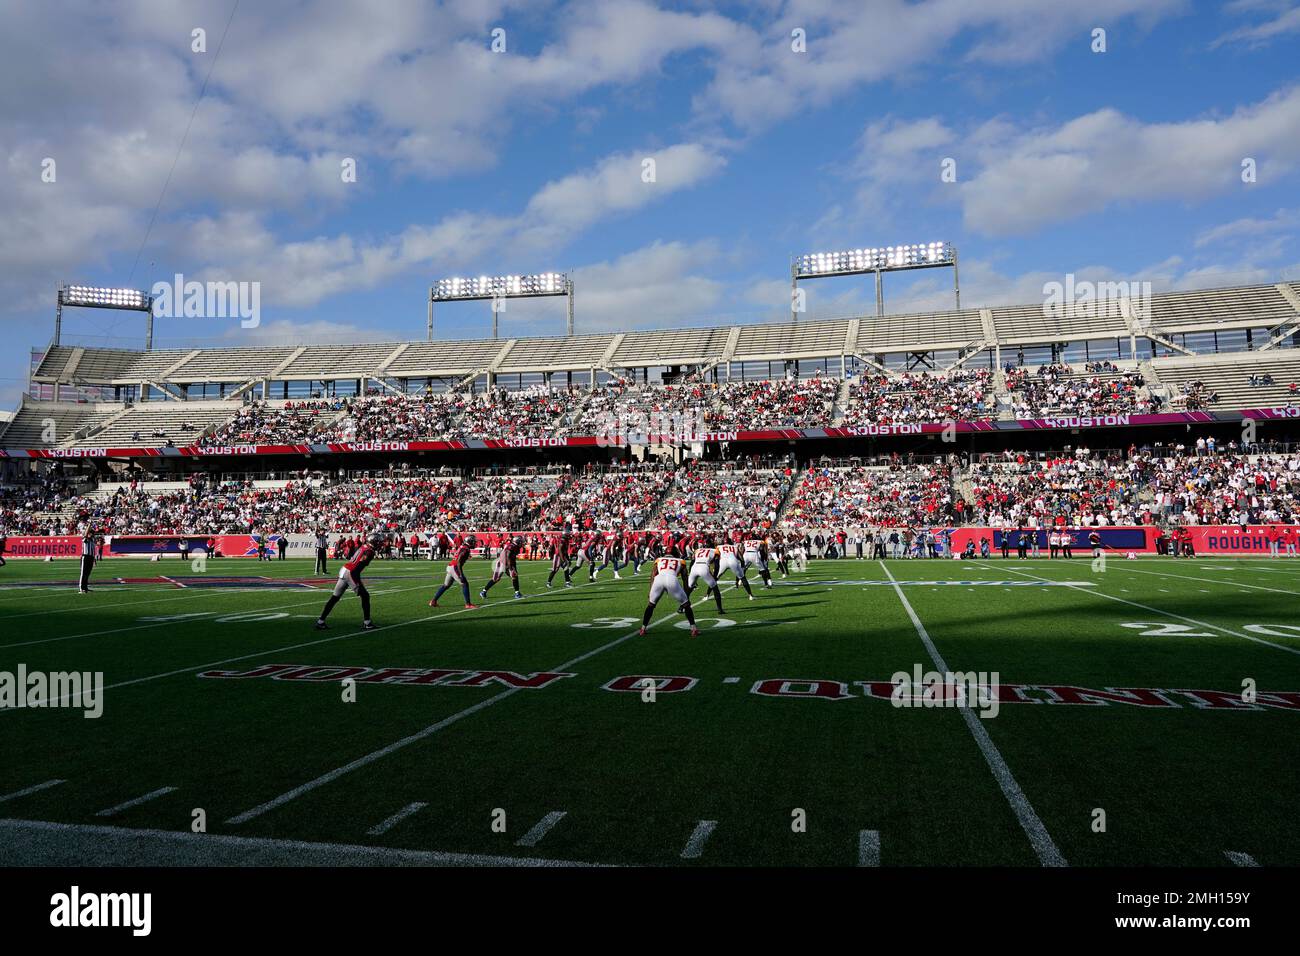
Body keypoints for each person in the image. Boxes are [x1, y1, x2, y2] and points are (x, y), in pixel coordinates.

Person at [315, 533, 380, 630]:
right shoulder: (369, 551)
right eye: (378, 541)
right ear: (373, 541)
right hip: (351, 572)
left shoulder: (364, 547)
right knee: (365, 596)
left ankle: (320, 621)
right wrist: (356, 579)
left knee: (335, 597)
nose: (380, 543)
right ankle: (367, 622)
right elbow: (360, 563)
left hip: (345, 569)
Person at [639, 553, 699, 638]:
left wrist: (650, 590)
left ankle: (643, 629)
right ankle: (694, 629)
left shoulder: (659, 560)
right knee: (686, 605)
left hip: (659, 579)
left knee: (651, 605)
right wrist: (686, 592)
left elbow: (653, 574)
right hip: (672, 579)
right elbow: (685, 577)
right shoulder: (681, 561)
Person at [430, 533, 478, 609]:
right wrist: (460, 574)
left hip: (450, 566)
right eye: (473, 541)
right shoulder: (466, 549)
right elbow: (459, 561)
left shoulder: (464, 547)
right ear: (469, 541)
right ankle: (468, 604)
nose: (475, 543)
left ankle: (433, 601)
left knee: (446, 586)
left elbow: (459, 555)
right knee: (465, 584)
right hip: (455, 567)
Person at [480, 534, 523, 601]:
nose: (522, 543)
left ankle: (517, 593)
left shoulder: (516, 547)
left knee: (514, 576)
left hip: (509, 564)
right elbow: (508, 556)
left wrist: (513, 567)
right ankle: (483, 591)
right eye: (521, 541)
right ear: (517, 541)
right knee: (496, 579)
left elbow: (512, 558)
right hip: (502, 563)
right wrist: (510, 567)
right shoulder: (511, 546)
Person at [78, 527, 97, 593]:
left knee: (87, 574)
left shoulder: (92, 541)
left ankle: (85, 588)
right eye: (91, 533)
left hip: (90, 557)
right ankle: (81, 588)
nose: (92, 535)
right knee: (83, 573)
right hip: (85, 557)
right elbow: (85, 535)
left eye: (93, 534)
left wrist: (94, 560)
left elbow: (93, 551)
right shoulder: (85, 539)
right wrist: (89, 525)